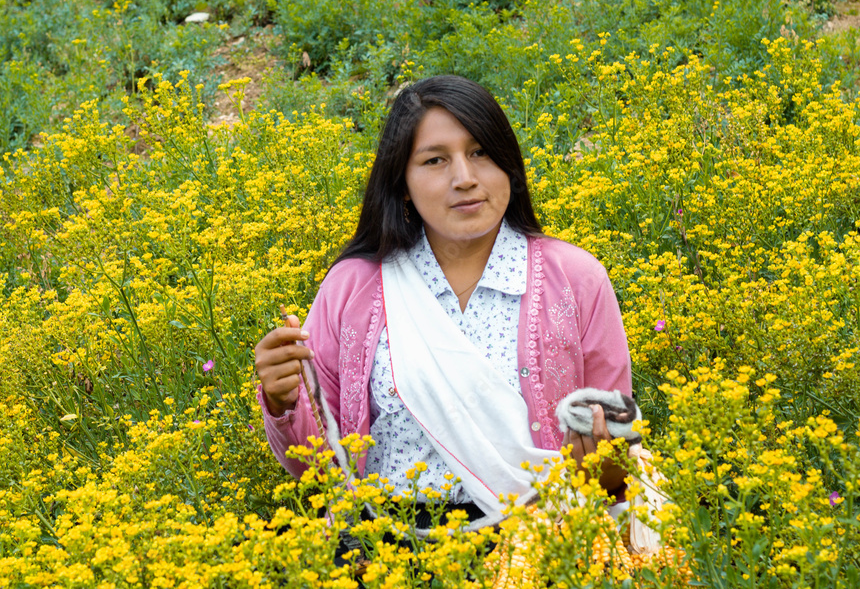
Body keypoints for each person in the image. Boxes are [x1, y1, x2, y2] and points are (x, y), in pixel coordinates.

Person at [254, 75, 632, 526]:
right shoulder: (353, 287)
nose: (465, 178)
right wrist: (283, 401)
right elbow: (317, 467)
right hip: (387, 544)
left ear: (509, 165)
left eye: (480, 153)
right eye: (435, 160)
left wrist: (606, 462)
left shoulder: (575, 279)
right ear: (401, 184)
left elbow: (614, 458)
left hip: (535, 544)